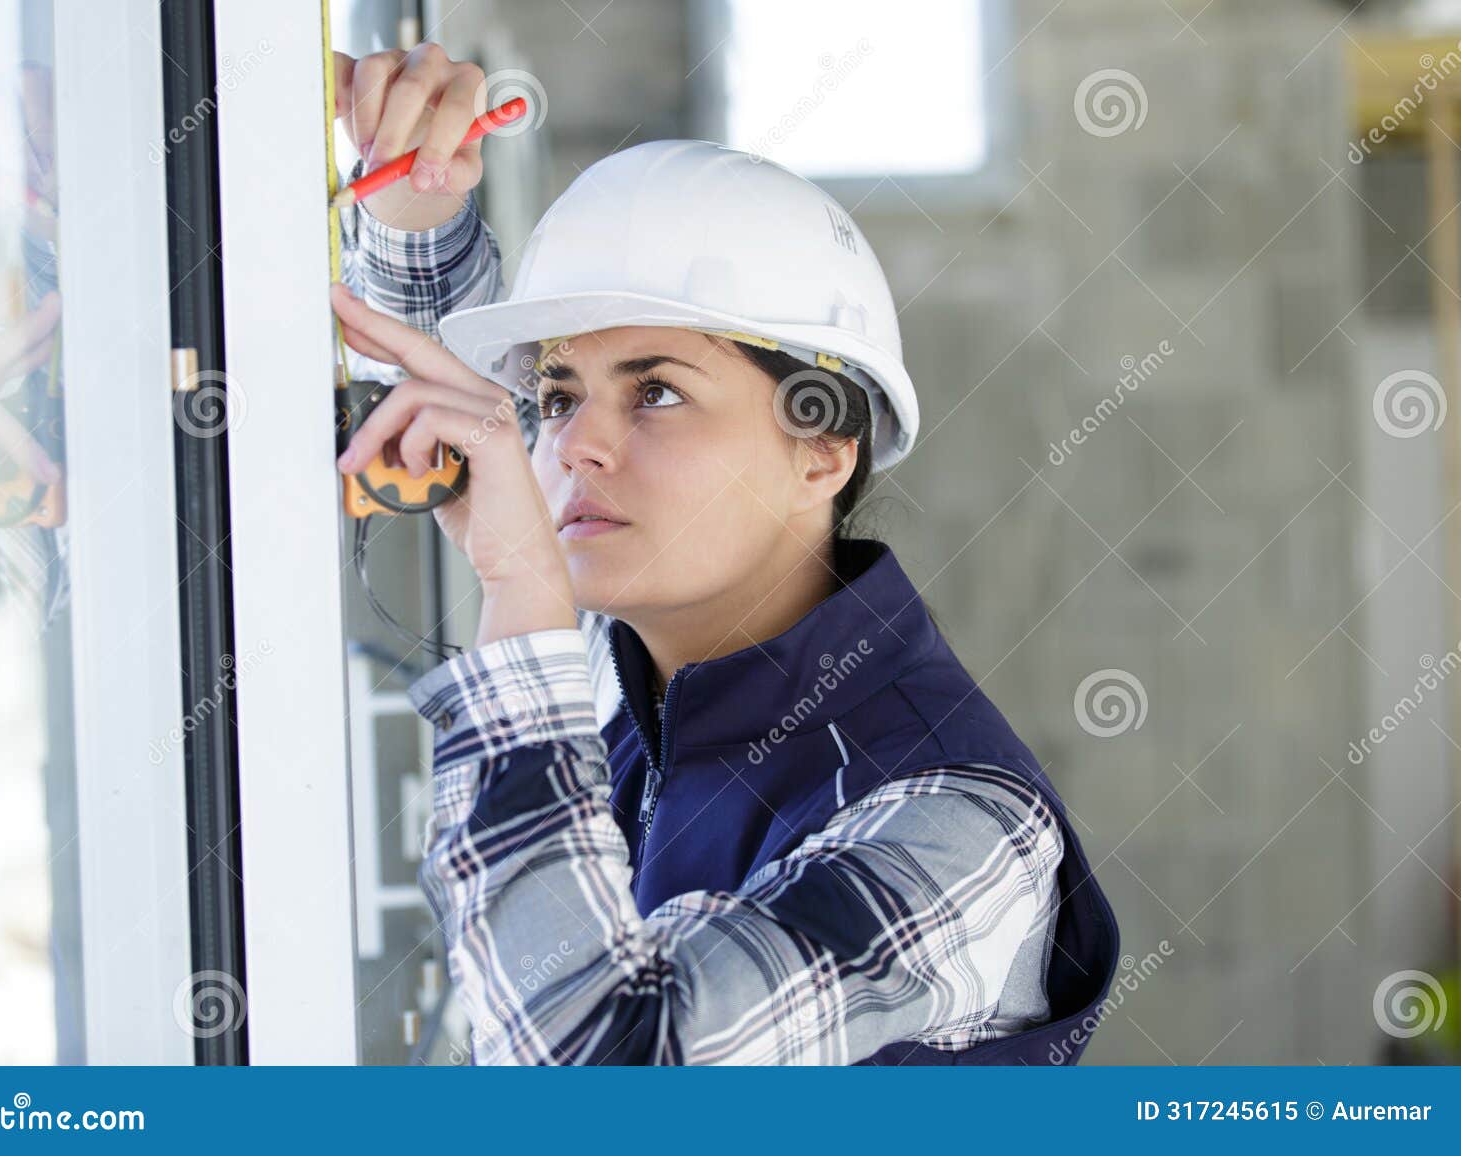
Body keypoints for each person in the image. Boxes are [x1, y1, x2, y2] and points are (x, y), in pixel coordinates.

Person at [331, 43, 1119, 1065]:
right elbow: (466, 408)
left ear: (822, 449)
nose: (573, 446)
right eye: (560, 396)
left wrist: (518, 591)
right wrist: (415, 193)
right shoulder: (642, 669)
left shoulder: (955, 830)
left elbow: (606, 1065)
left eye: (657, 391)